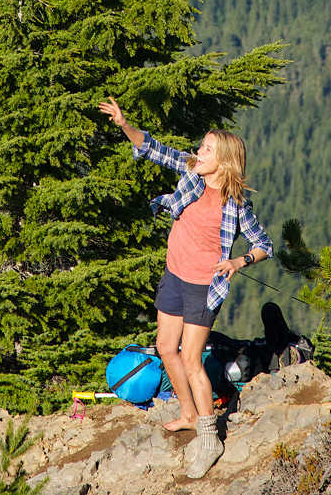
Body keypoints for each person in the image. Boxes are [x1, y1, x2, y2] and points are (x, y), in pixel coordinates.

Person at [98, 97, 273, 479]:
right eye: (201, 146)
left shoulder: (236, 205)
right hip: (174, 276)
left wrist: (238, 261)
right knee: (165, 348)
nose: (199, 151)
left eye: (207, 149)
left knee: (191, 359)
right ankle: (188, 413)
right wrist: (124, 123)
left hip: (202, 288)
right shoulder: (193, 172)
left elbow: (265, 245)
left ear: (224, 160)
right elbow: (153, 148)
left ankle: (209, 437)